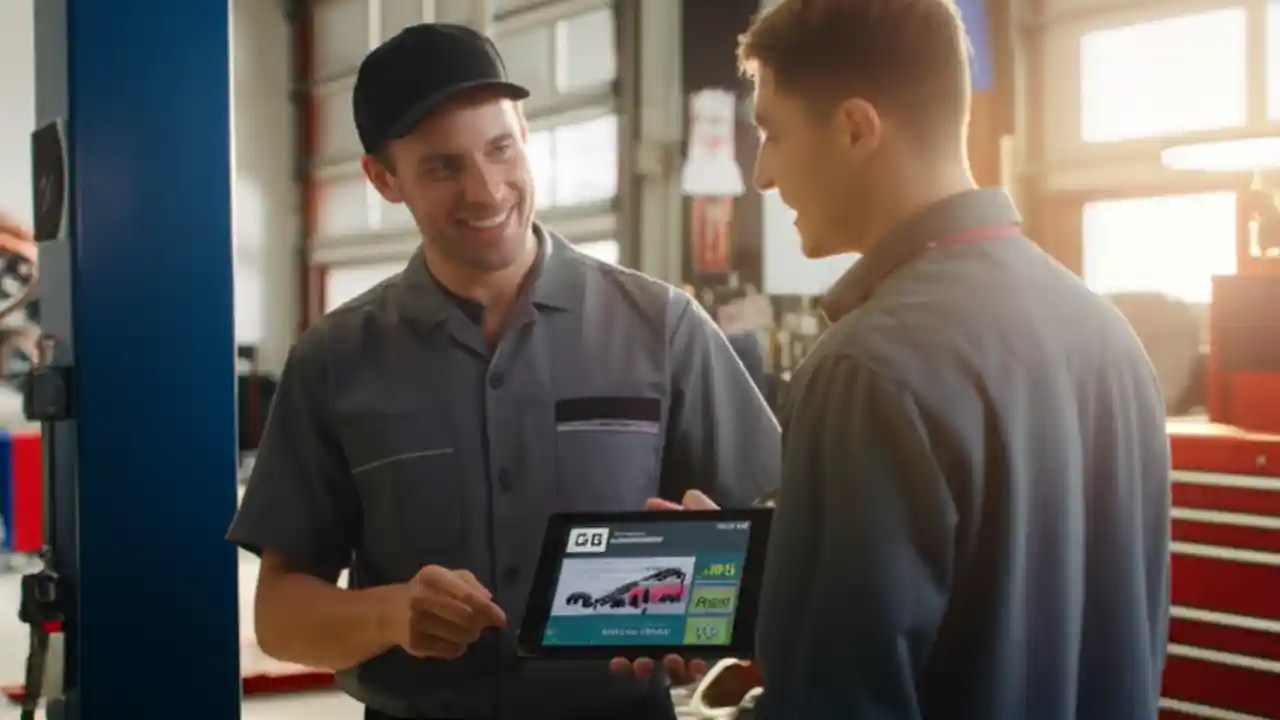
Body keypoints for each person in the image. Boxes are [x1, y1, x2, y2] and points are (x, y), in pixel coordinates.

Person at [617, 0, 1171, 718]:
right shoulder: (1108, 336)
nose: (763, 175)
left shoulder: (865, 368)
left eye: (773, 134)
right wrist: (785, 573)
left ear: (855, 128)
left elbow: (836, 698)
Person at [226, 23, 781, 720]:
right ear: (383, 179)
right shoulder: (336, 360)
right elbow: (279, 614)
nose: (486, 191)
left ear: (527, 135)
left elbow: (780, 547)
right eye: (442, 165)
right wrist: (392, 614)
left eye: (501, 148)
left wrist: (709, 608)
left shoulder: (661, 328)